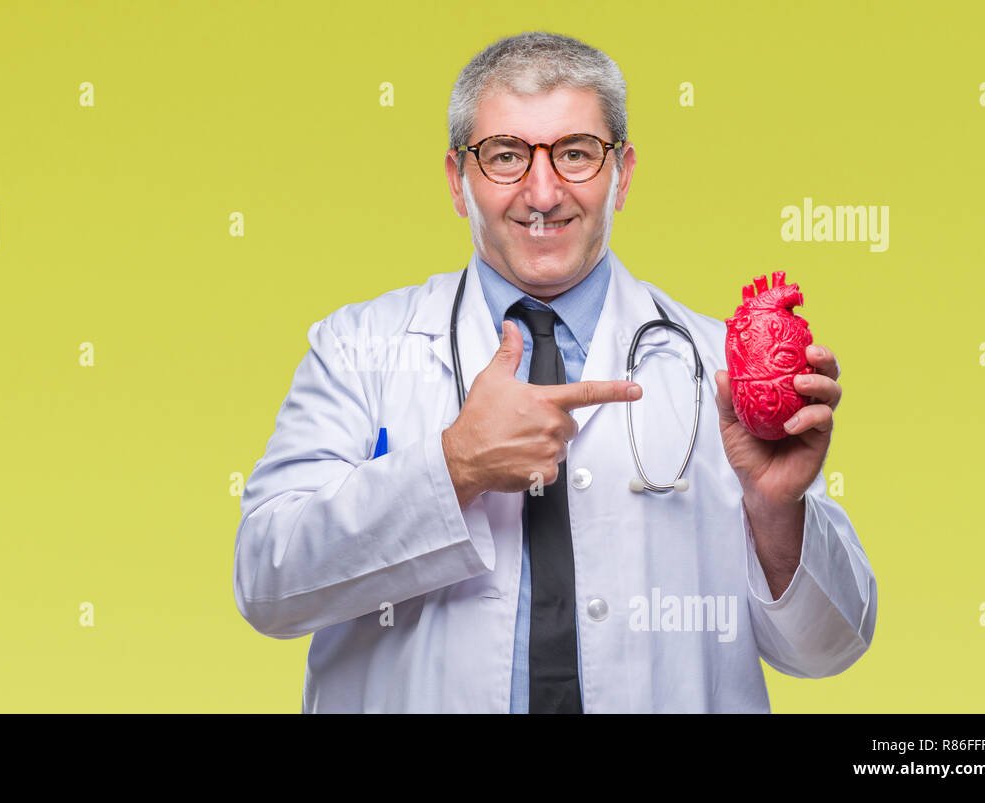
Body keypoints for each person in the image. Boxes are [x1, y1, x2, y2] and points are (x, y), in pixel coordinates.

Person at [233, 31, 876, 713]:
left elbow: (829, 646)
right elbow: (268, 582)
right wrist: (453, 467)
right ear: (458, 180)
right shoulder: (360, 347)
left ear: (621, 173)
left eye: (575, 154)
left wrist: (777, 510)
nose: (543, 193)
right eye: (506, 156)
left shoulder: (714, 367)